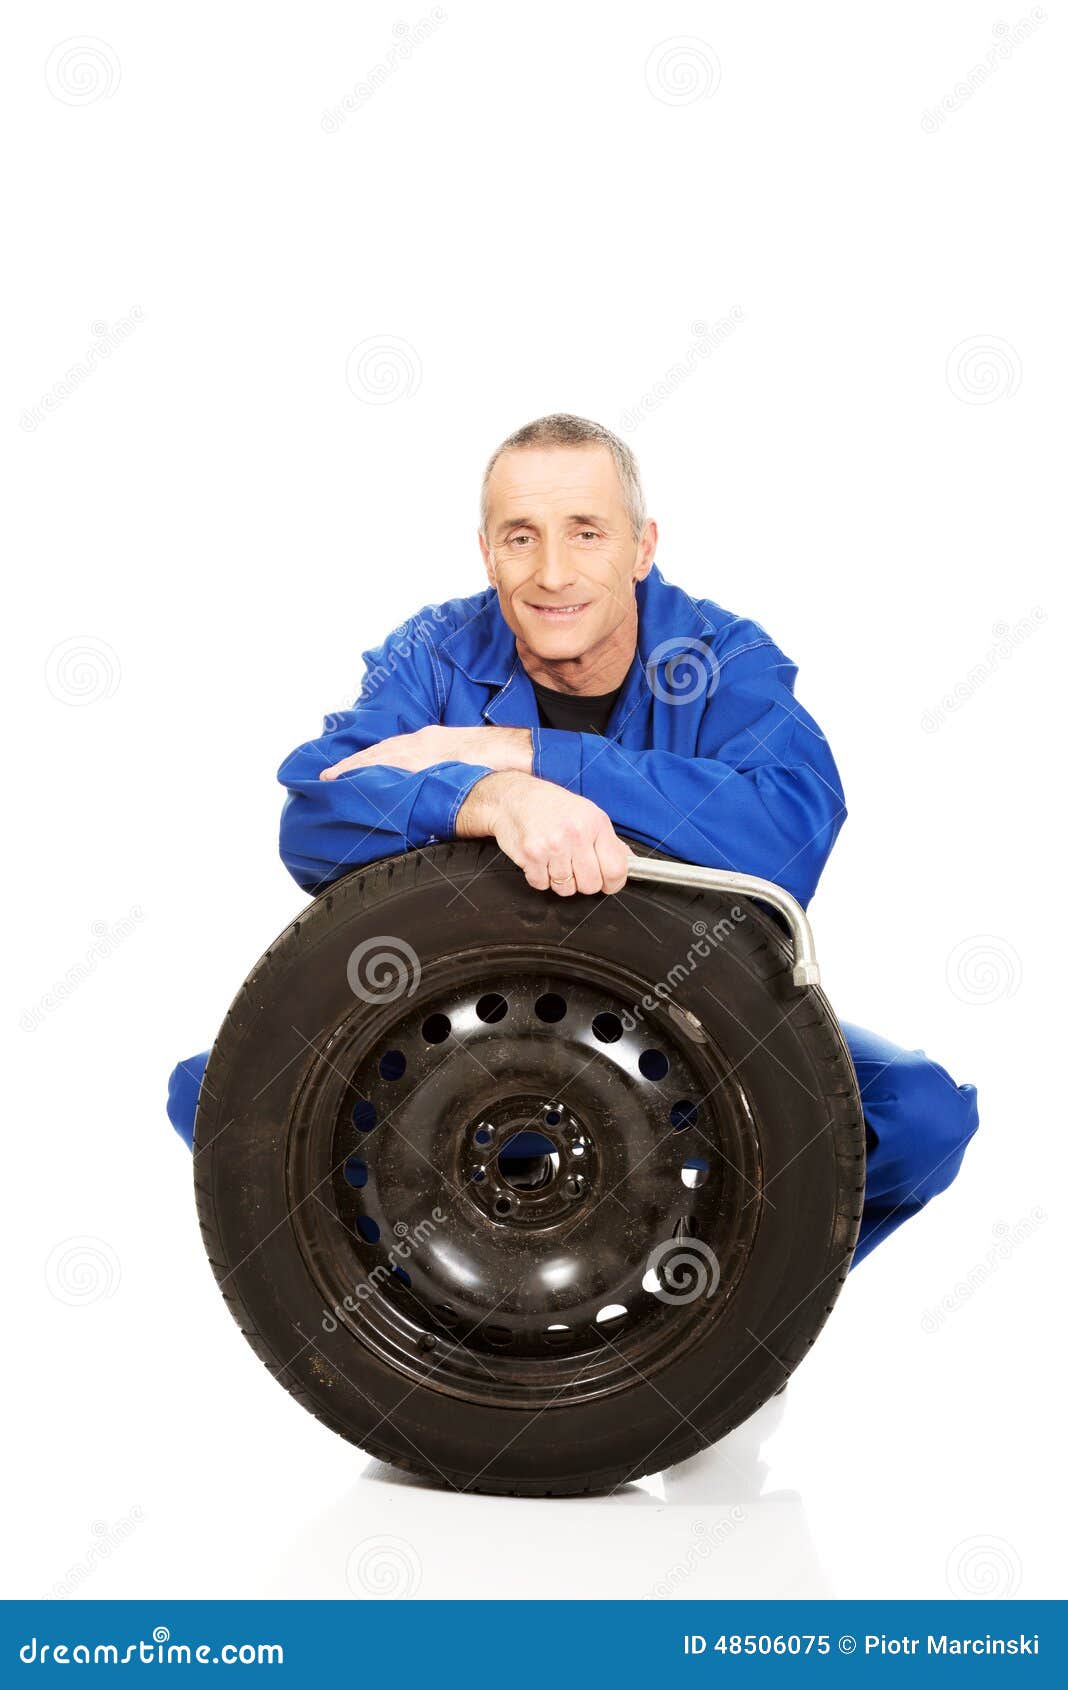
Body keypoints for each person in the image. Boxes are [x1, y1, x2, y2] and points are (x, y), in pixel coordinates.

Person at [167, 414, 978, 1263]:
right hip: (465, 1038)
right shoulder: (434, 653)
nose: (553, 573)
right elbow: (316, 818)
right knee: (221, 1096)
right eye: (522, 537)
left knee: (918, 1119)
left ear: (641, 546)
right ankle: (448, 1313)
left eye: (586, 533)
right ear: (488, 553)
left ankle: (732, 1311)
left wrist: (526, 753)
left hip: (689, 1039)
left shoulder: (718, 655)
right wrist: (488, 798)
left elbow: (786, 830)